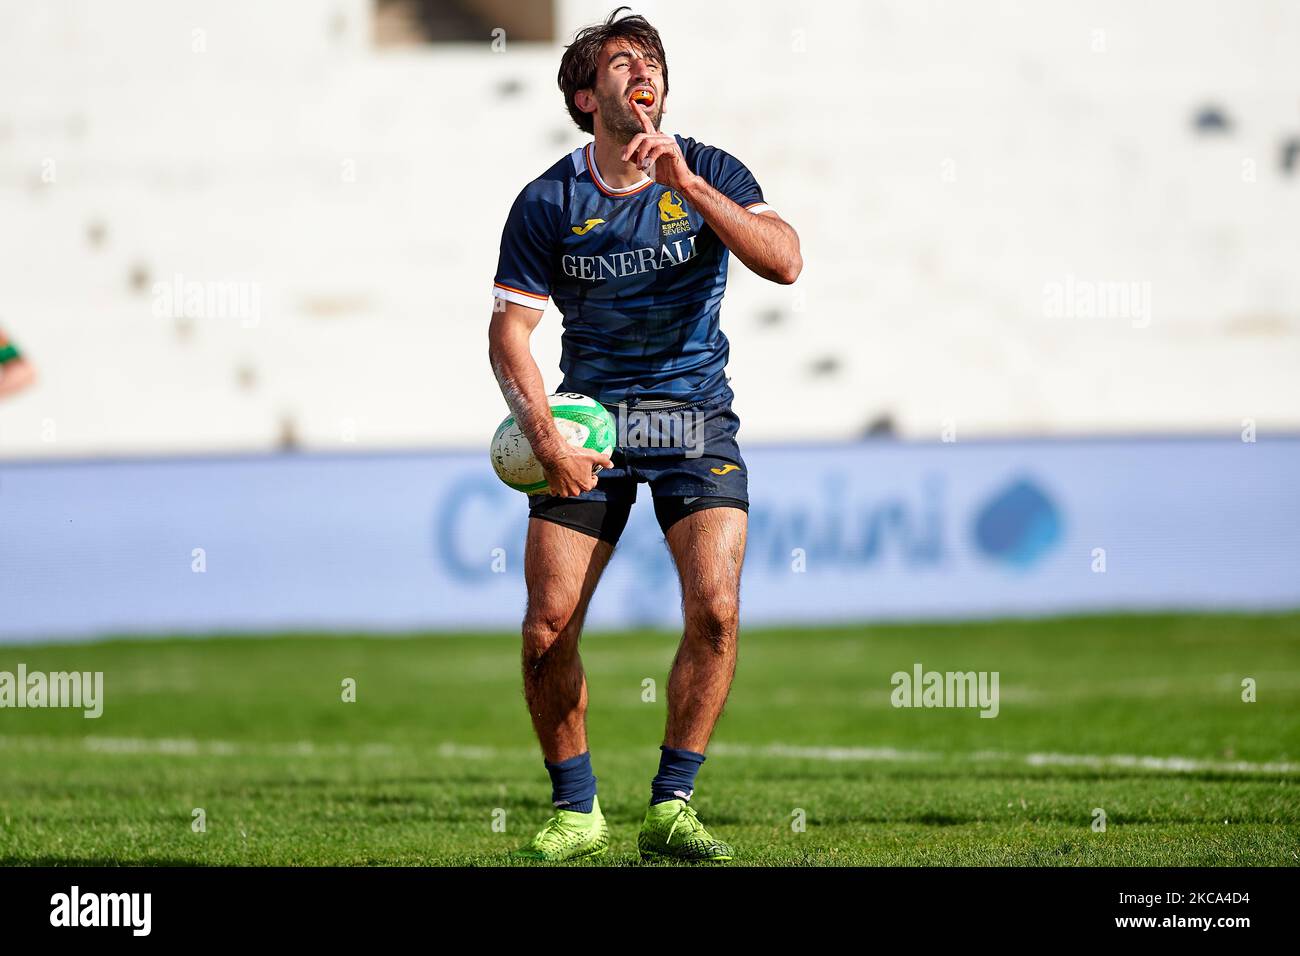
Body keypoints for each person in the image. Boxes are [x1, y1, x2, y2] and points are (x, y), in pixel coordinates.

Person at [488, 7, 802, 862]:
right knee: (547, 626)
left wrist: (687, 186)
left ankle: (671, 807)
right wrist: (545, 435)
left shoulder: (709, 169)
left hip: (694, 417)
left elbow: (784, 259)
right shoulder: (548, 200)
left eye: (652, 59)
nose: (644, 72)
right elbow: (508, 334)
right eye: (623, 62)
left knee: (717, 612)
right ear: (588, 95)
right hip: (591, 425)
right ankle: (577, 811)